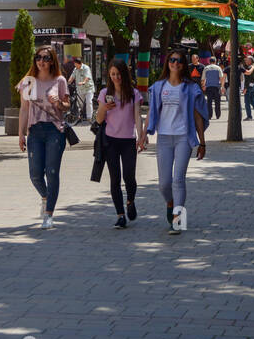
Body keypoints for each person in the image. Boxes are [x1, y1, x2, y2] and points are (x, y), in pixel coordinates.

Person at [147, 49, 209, 234]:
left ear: (184, 65)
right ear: (167, 63)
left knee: (178, 180)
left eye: (179, 61)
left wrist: (202, 143)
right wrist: (142, 134)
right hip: (164, 138)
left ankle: (177, 218)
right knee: (164, 184)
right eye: (172, 60)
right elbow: (151, 112)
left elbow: (198, 116)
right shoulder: (159, 86)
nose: (175, 63)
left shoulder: (190, 88)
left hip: (183, 137)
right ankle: (170, 202)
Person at [19, 46, 70, 229]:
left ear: (52, 60)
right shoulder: (29, 81)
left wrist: (59, 103)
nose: (42, 61)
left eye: (46, 58)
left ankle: (49, 214)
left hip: (55, 130)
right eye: (39, 57)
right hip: (35, 131)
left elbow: (67, 106)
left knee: (52, 172)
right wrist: (21, 134)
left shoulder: (60, 80)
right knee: (35, 175)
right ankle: (46, 196)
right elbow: (24, 109)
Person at [95, 58, 146, 228]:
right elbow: (99, 119)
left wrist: (141, 137)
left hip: (128, 140)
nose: (116, 77)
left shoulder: (133, 94)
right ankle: (120, 215)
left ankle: (130, 201)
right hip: (110, 140)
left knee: (129, 177)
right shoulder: (104, 93)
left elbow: (137, 116)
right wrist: (104, 108)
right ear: (109, 75)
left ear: (124, 74)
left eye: (118, 74)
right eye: (113, 74)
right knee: (115, 178)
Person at [69, 57, 94, 125]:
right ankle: (81, 116)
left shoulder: (86, 68)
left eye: (75, 64)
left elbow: (87, 77)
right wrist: (68, 82)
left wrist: (83, 82)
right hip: (80, 89)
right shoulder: (75, 69)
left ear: (78, 64)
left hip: (88, 88)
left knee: (89, 102)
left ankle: (89, 117)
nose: (74, 65)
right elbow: (72, 76)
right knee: (80, 103)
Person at [202, 55, 224, 119]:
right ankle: (218, 115)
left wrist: (203, 85)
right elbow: (221, 78)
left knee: (209, 102)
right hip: (216, 87)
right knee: (217, 102)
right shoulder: (218, 68)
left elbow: (203, 78)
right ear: (215, 61)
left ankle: (209, 115)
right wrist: (222, 86)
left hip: (208, 87)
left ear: (209, 61)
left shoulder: (206, 68)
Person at [241, 54, 254, 121]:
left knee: (247, 102)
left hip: (249, 87)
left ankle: (249, 116)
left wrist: (245, 88)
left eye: (247, 60)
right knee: (252, 101)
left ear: (250, 61)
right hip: (253, 86)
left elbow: (248, 79)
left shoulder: (250, 68)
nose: (246, 61)